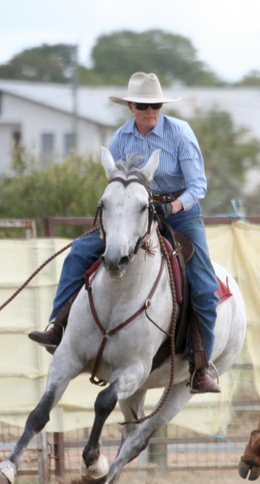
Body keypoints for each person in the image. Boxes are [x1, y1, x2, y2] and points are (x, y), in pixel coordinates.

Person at [28, 72, 221, 394]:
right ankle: (58, 327)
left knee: (204, 285)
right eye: (144, 105)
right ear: (131, 106)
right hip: (131, 214)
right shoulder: (120, 138)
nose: (151, 111)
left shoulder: (180, 133)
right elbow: (116, 183)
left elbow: (197, 186)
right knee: (78, 253)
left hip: (180, 213)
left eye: (156, 105)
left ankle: (200, 366)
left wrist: (170, 208)